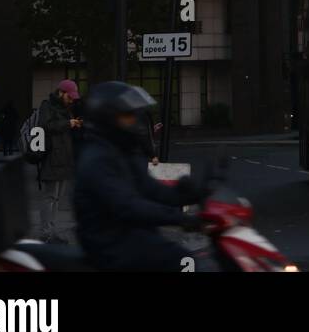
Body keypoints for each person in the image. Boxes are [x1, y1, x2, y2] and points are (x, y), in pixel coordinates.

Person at [74, 82, 203, 272]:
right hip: (108, 243)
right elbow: (128, 205)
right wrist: (180, 218)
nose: (134, 121)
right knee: (182, 261)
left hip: (129, 233)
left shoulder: (122, 150)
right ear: (107, 118)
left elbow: (150, 188)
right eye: (127, 116)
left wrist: (189, 195)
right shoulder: (97, 158)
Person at [37, 78, 81, 243]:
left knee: (56, 199)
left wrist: (74, 124)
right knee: (50, 198)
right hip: (52, 158)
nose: (71, 100)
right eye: (69, 96)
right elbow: (46, 126)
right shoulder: (47, 106)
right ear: (61, 92)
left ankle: (51, 232)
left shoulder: (64, 108)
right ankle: (46, 233)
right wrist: (68, 123)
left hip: (64, 159)